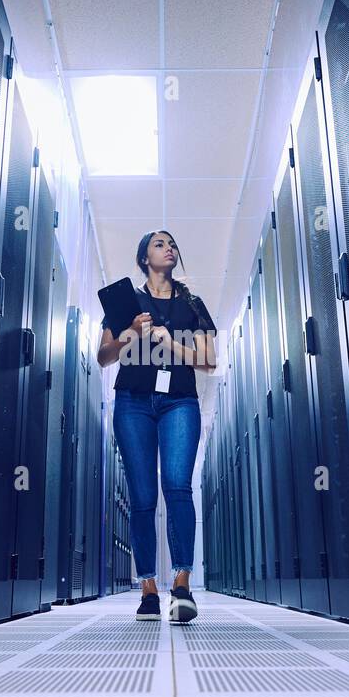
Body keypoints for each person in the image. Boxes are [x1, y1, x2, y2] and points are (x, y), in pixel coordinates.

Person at [97, 230, 217, 622]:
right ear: (144, 257)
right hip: (133, 402)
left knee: (178, 486)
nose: (170, 248)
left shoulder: (192, 304)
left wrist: (169, 343)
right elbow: (103, 356)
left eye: (172, 244)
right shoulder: (127, 301)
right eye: (160, 244)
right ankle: (148, 588)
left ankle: (181, 584)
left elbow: (208, 361)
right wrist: (131, 331)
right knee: (143, 496)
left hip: (179, 401)